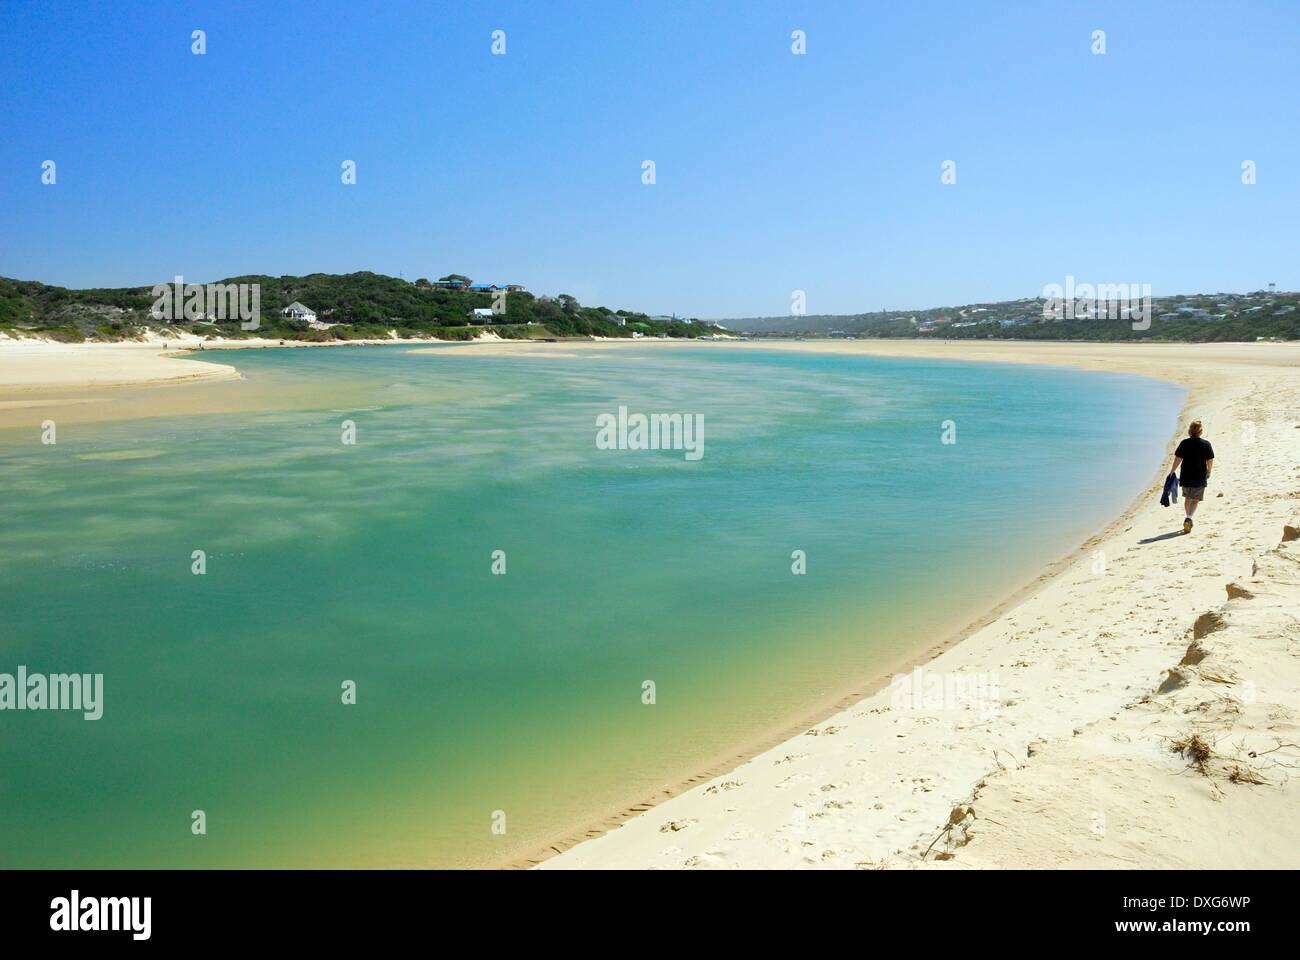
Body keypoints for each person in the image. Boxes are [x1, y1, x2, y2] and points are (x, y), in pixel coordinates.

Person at [1170, 420, 1214, 533]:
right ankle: (1189, 518)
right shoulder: (1206, 444)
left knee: (1188, 498)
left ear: (1190, 431)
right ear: (1200, 431)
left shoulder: (1184, 443)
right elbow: (1210, 460)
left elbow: (1178, 459)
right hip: (1199, 476)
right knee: (1195, 499)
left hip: (1186, 476)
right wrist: (1209, 471)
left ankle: (1188, 518)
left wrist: (1172, 471)